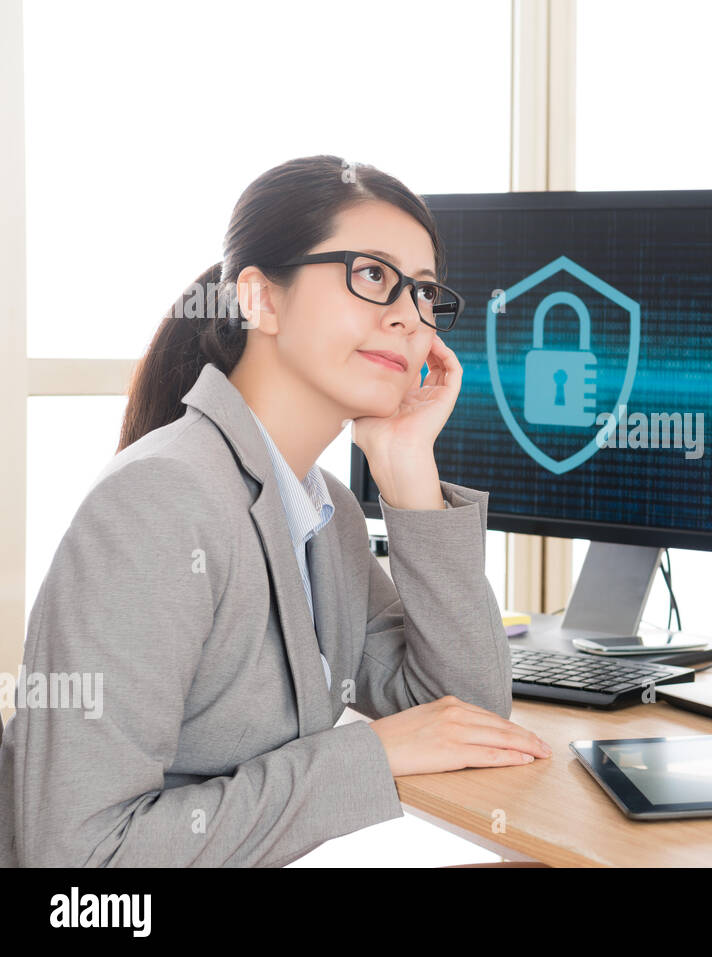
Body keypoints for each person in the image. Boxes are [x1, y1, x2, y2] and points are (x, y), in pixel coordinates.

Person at [0, 154, 551, 866]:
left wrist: (408, 467)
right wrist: (367, 756)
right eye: (374, 275)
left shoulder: (329, 517)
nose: (410, 318)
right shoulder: (160, 502)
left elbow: (465, 716)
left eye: (423, 293)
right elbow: (77, 866)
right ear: (259, 298)